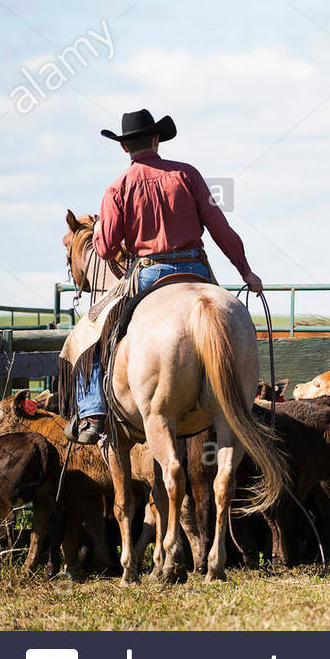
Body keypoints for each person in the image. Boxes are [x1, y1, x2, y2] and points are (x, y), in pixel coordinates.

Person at [70, 109, 263, 444]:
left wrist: (102, 229)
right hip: (197, 269)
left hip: (148, 274)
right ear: (157, 139)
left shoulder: (118, 188)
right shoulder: (188, 175)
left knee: (92, 334)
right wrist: (246, 271)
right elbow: (221, 229)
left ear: (124, 148)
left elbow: (104, 249)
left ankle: (93, 413)